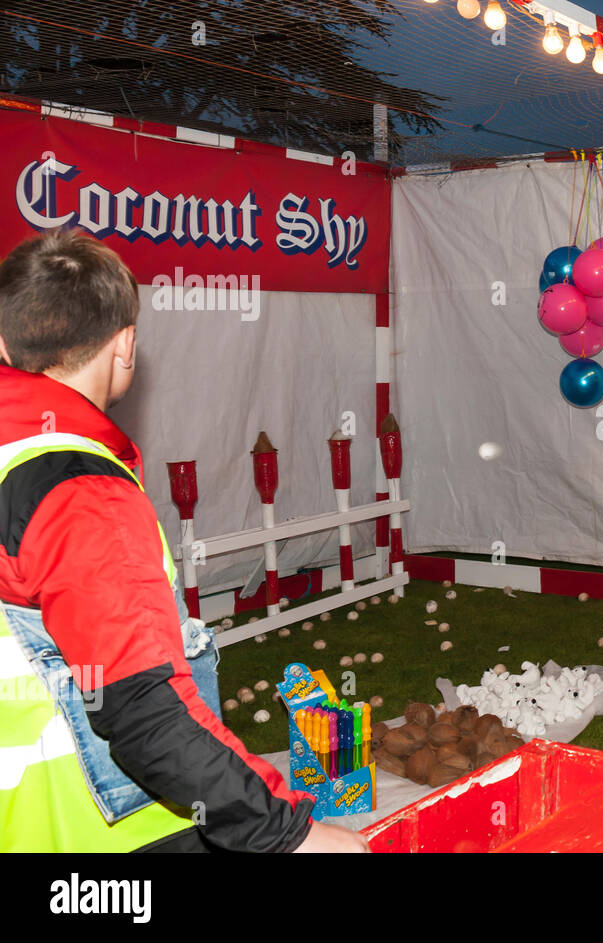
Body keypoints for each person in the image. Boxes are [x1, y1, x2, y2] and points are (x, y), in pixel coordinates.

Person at [0, 230, 366, 852]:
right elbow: (142, 705)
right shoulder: (80, 490)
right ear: (125, 345)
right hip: (101, 837)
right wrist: (291, 837)